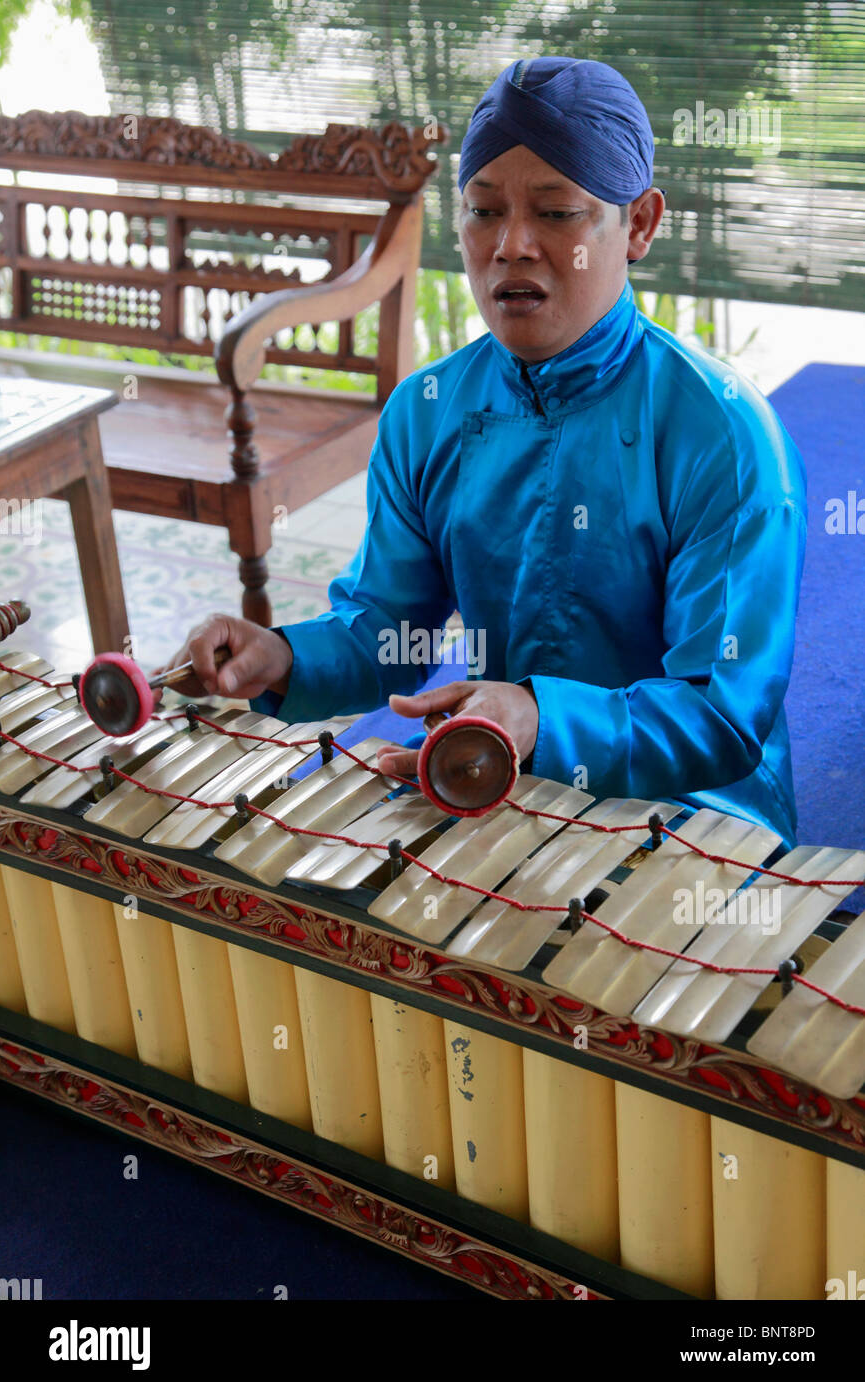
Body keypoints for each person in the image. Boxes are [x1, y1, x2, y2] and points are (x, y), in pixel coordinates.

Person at [161, 55, 807, 847]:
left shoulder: (725, 436)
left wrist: (538, 717)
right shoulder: (427, 413)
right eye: (483, 211)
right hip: (497, 777)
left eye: (557, 212)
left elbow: (722, 714)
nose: (511, 246)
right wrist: (282, 658)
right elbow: (388, 635)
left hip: (694, 815)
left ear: (638, 224)